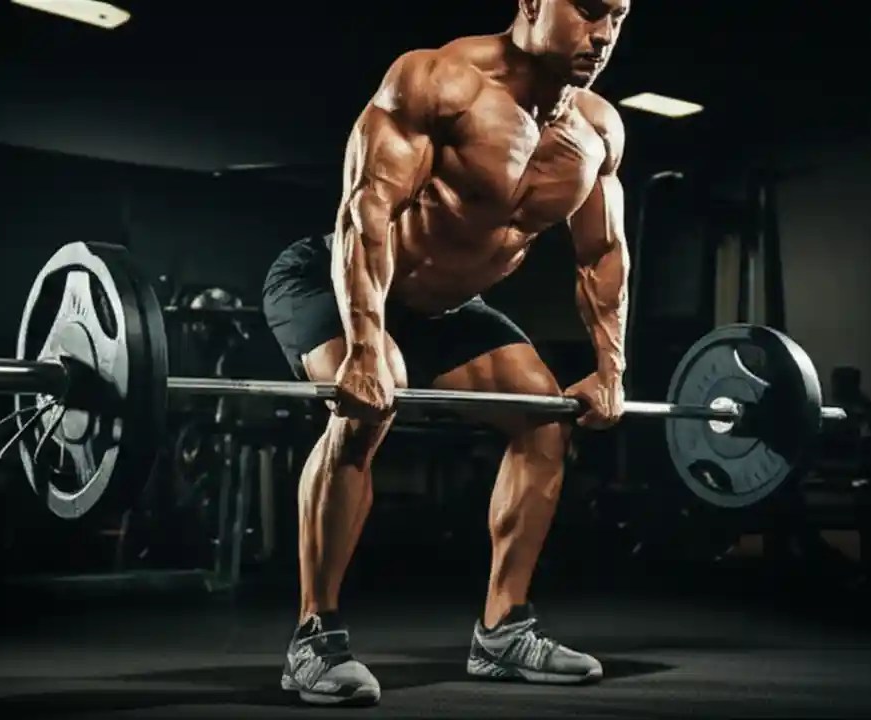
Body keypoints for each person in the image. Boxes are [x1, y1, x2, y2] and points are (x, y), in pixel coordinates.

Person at [262, 0, 632, 706]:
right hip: (335, 277)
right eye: (587, 10)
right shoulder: (438, 81)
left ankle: (502, 632)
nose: (604, 33)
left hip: (447, 307)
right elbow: (364, 212)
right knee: (371, 408)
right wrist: (366, 348)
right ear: (530, 3)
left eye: (617, 15)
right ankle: (314, 638)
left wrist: (612, 370)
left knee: (545, 418)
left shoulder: (598, 129)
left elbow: (602, 254)